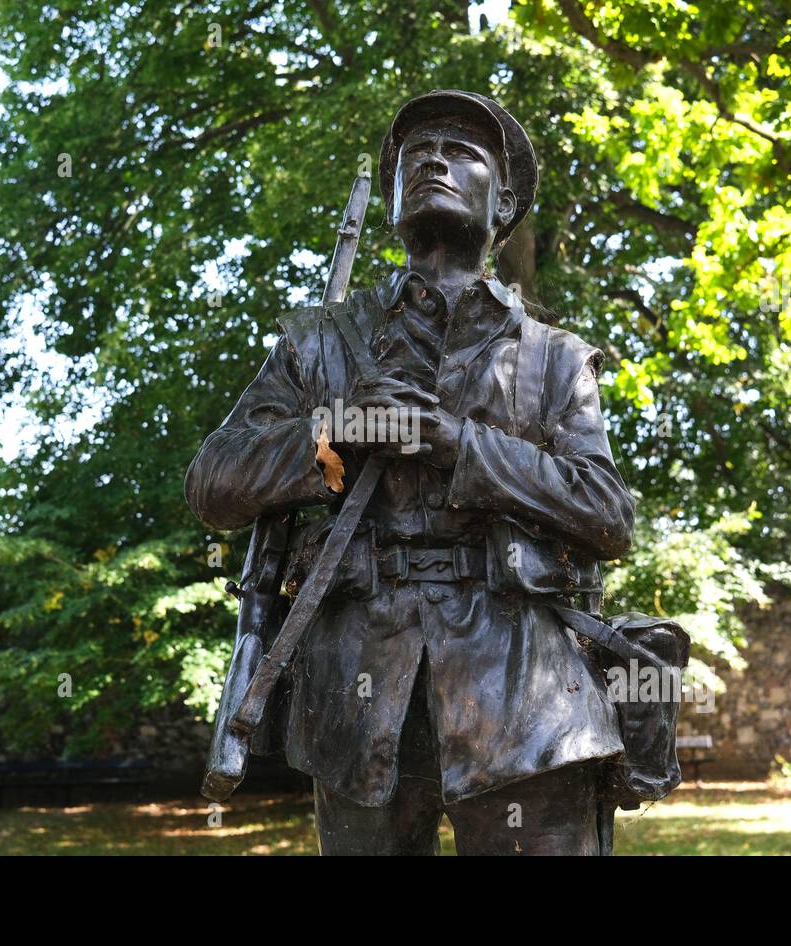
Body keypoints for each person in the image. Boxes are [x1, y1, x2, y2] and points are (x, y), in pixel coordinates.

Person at [186, 90, 635, 855]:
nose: (432, 160)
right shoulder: (319, 345)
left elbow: (606, 513)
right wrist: (334, 434)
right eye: (415, 155)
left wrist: (456, 442)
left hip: (527, 697)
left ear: (507, 200)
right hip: (358, 695)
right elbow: (213, 483)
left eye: (463, 154)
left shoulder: (555, 358)